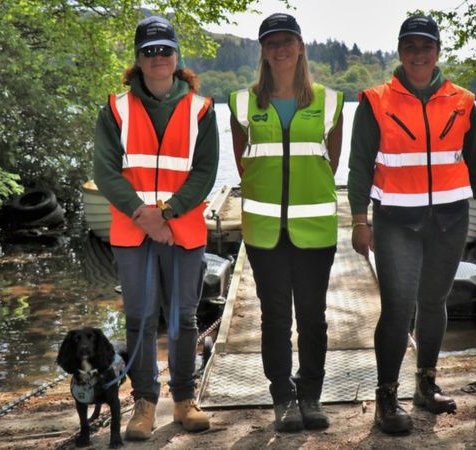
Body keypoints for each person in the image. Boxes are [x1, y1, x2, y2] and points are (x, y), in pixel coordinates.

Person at [348, 15, 476, 435]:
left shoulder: (462, 100)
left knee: (434, 303)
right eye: (410, 46)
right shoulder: (375, 100)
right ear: (399, 50)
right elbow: (359, 166)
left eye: (425, 46)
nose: (418, 53)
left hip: (450, 220)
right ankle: (386, 397)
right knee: (398, 308)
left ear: (437, 51)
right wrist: (360, 219)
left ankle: (426, 384)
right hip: (396, 220)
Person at [93, 15, 216, 440]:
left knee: (183, 317)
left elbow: (205, 173)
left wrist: (164, 213)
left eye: (165, 49)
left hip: (182, 231)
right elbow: (105, 172)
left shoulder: (201, 109)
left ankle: (183, 399)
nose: (158, 57)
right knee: (141, 319)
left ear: (176, 55)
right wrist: (144, 216)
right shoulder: (116, 109)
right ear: (139, 59)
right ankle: (144, 401)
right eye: (149, 51)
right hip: (132, 233)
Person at [228, 13, 343, 433]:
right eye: (271, 42)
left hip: (315, 229)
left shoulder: (330, 101)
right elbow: (245, 166)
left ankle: (310, 394)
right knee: (275, 316)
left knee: (313, 316)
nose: (280, 49)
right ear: (263, 50)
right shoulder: (242, 103)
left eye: (287, 41)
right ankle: (283, 397)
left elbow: (332, 162)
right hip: (263, 230)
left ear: (300, 46)